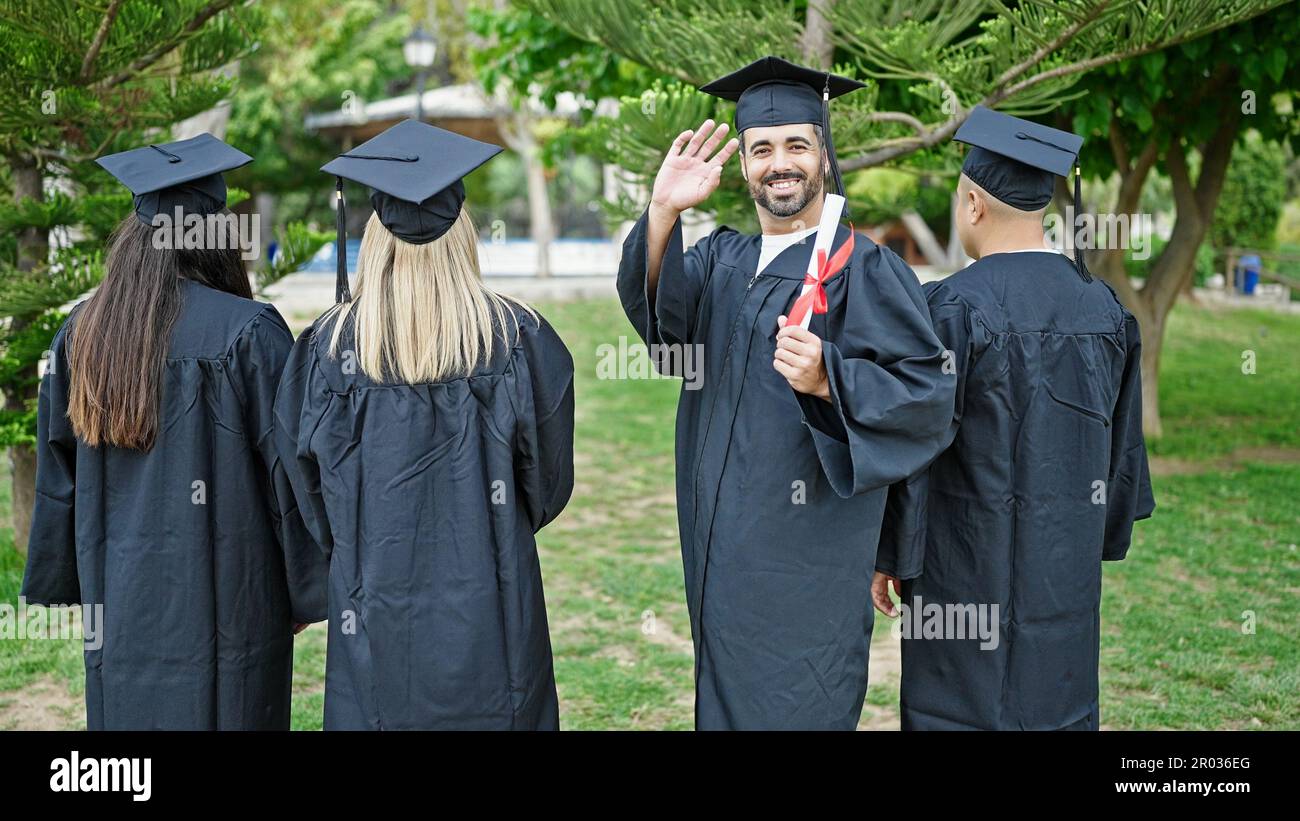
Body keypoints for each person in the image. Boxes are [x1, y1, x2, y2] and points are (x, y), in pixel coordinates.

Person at [617, 56, 955, 729]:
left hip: (812, 552)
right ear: (743, 165)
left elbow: (926, 394)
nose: (781, 163)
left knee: (801, 699)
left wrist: (832, 378)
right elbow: (666, 335)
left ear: (823, 156)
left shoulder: (865, 269)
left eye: (798, 144)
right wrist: (661, 213)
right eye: (762, 148)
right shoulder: (719, 260)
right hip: (718, 542)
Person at [276, 119, 575, 730]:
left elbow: (307, 492)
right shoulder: (518, 340)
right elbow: (545, 486)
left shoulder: (327, 350)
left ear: (374, 239)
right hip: (493, 601)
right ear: (464, 234)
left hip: (372, 601)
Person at [21, 133, 327, 730]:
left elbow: (59, 474)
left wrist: (70, 578)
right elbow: (290, 478)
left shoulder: (82, 333)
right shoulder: (252, 332)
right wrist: (301, 587)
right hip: (237, 602)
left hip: (123, 599)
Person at [872, 105, 1156, 731]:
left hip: (957, 567)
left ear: (972, 204)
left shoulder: (946, 308)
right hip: (1064, 570)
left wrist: (892, 552)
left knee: (960, 704)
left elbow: (915, 442)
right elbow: (1122, 449)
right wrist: (1099, 536)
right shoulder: (1103, 310)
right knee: (1056, 699)